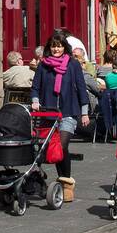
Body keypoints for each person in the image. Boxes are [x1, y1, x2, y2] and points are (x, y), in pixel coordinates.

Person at [31, 30, 90, 199]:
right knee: (54, 149)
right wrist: (35, 100)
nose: (56, 49)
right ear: (49, 47)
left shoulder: (73, 64)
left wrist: (84, 113)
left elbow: (81, 88)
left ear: (65, 47)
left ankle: (66, 185)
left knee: (61, 146)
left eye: (59, 46)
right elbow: (35, 87)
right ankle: (64, 183)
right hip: (48, 114)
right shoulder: (43, 65)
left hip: (68, 112)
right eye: (53, 46)